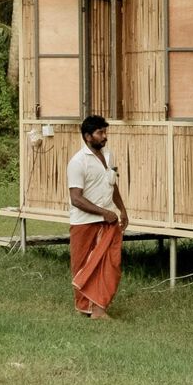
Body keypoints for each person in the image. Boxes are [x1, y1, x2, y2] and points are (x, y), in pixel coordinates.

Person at [67, 115, 128, 319]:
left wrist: (122, 210)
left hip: (109, 221)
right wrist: (104, 213)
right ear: (87, 136)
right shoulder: (78, 162)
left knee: (111, 264)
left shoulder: (109, 155)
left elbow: (113, 184)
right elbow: (76, 198)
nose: (104, 136)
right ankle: (87, 308)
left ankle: (99, 308)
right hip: (84, 223)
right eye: (100, 133)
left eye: (105, 132)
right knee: (85, 267)